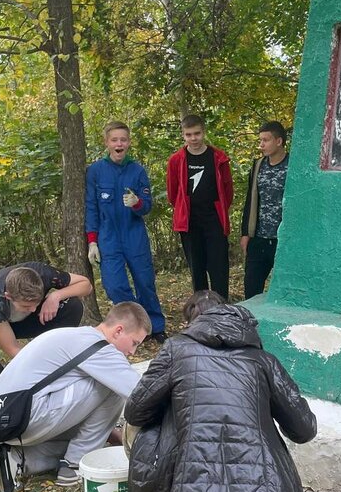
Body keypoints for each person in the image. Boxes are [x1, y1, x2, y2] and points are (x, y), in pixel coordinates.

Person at [124, 291, 317, 492]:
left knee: (145, 424)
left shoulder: (176, 350)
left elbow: (134, 411)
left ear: (191, 323)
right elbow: (305, 430)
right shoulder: (264, 361)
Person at [0, 301, 151, 492]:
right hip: (23, 415)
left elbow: (88, 414)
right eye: (135, 343)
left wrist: (112, 437)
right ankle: (75, 465)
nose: (132, 352)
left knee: (92, 438)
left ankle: (17, 461)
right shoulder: (99, 347)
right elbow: (142, 395)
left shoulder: (75, 336)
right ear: (118, 330)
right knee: (112, 387)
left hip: (3, 417)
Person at [0, 262, 92, 400]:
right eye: (26, 305)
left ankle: (56, 352)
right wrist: (42, 371)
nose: (32, 308)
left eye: (35, 303)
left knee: (73, 305)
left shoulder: (44, 273)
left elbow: (86, 285)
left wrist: (56, 296)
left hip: (37, 318)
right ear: (8, 297)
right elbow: (13, 348)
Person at [86, 120, 166, 342]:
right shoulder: (95, 171)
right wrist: (92, 241)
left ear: (129, 143)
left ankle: (156, 327)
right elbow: (91, 207)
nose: (119, 144)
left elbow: (147, 206)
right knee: (114, 286)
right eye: (114, 140)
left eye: (123, 139)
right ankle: (136, 324)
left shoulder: (137, 170)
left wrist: (137, 203)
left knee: (145, 282)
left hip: (134, 236)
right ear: (107, 143)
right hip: (108, 238)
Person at [165, 114, 234, 299]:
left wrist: (220, 210)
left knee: (219, 267)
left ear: (203, 132)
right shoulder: (176, 160)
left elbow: (227, 190)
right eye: (189, 135)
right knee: (197, 269)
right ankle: (202, 313)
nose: (193, 138)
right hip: (189, 222)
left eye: (197, 133)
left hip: (214, 220)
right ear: (183, 135)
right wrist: (182, 209)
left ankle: (222, 311)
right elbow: (173, 193)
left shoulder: (218, 157)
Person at [240, 121, 290, 299]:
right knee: (252, 289)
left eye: (266, 140)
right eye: (260, 140)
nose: (261, 145)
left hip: (283, 240)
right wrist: (246, 233)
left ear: (279, 141)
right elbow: (250, 200)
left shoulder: (292, 166)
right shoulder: (258, 165)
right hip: (259, 239)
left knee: (284, 291)